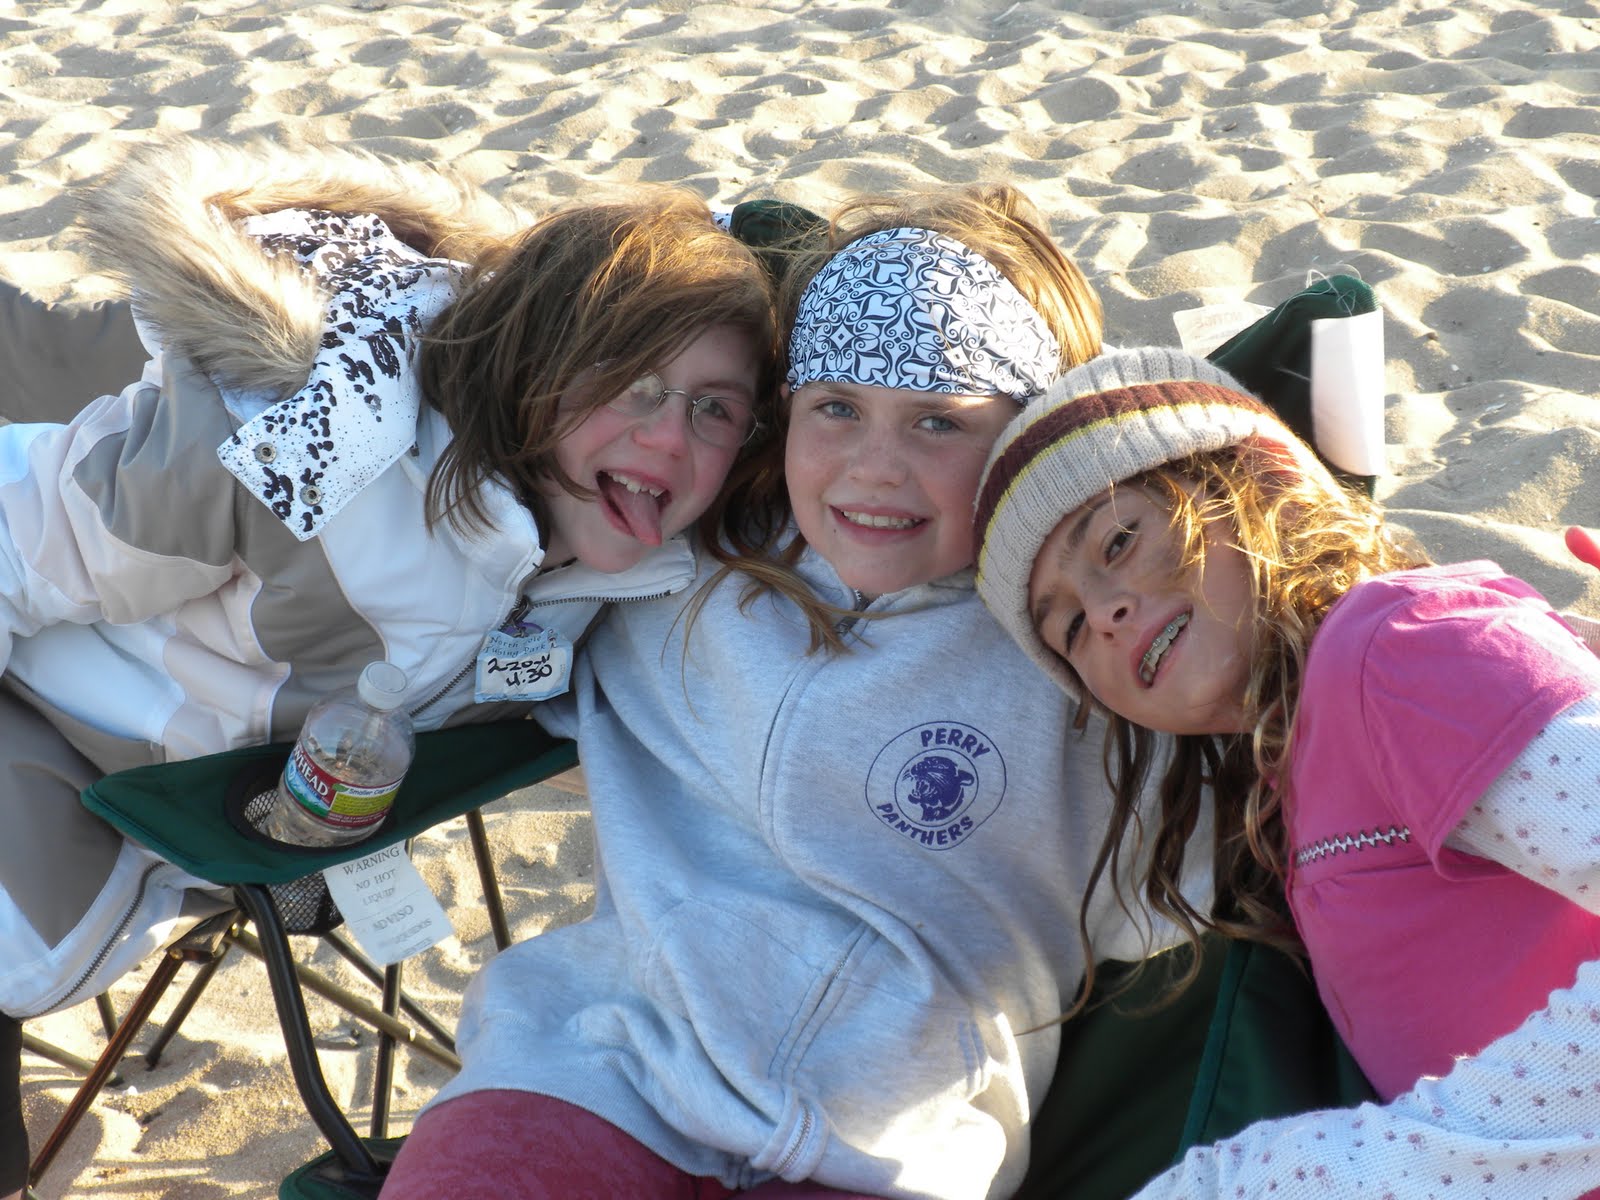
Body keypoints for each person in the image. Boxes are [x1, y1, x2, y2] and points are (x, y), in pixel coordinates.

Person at [377, 185, 1204, 1200]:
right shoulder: (666, 563)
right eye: (837, 410)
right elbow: (497, 450)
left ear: (1024, 438)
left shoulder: (1079, 650)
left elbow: (1229, 832)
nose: (874, 467)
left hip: (895, 1135)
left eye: (938, 422)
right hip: (597, 1065)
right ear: (785, 415)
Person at [0, 134, 781, 1199]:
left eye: (713, 407)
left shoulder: (640, 563)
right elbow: (16, 538)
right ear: (530, 368)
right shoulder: (301, 455)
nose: (669, 437)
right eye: (630, 384)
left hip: (245, 776)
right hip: (44, 705)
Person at [971, 346, 1600, 1199]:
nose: (1106, 611)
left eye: (1120, 539)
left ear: (1257, 483)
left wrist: (1289, 1176)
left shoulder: (1394, 649)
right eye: (1069, 630)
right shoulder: (1295, 778)